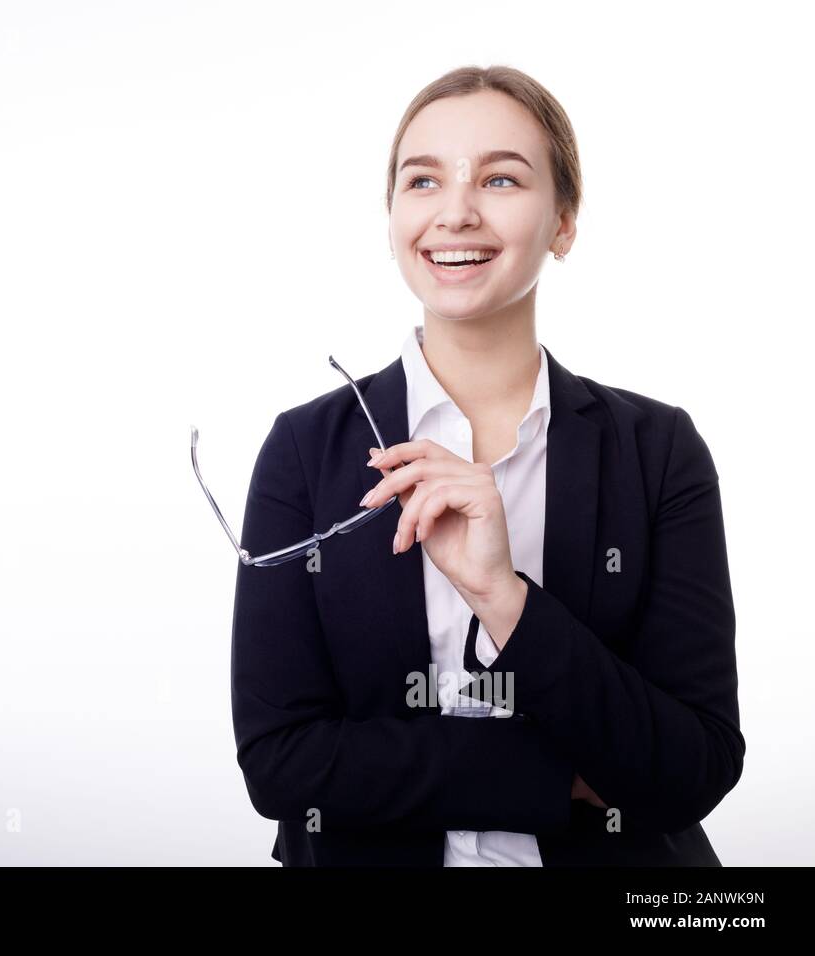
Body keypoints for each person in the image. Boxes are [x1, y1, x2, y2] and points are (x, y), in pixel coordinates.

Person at [230, 65, 743, 866]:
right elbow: (281, 763)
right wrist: (556, 776)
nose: (456, 211)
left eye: (501, 178)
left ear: (564, 222)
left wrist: (503, 599)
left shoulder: (658, 450)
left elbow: (692, 768)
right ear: (394, 216)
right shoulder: (305, 450)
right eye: (423, 180)